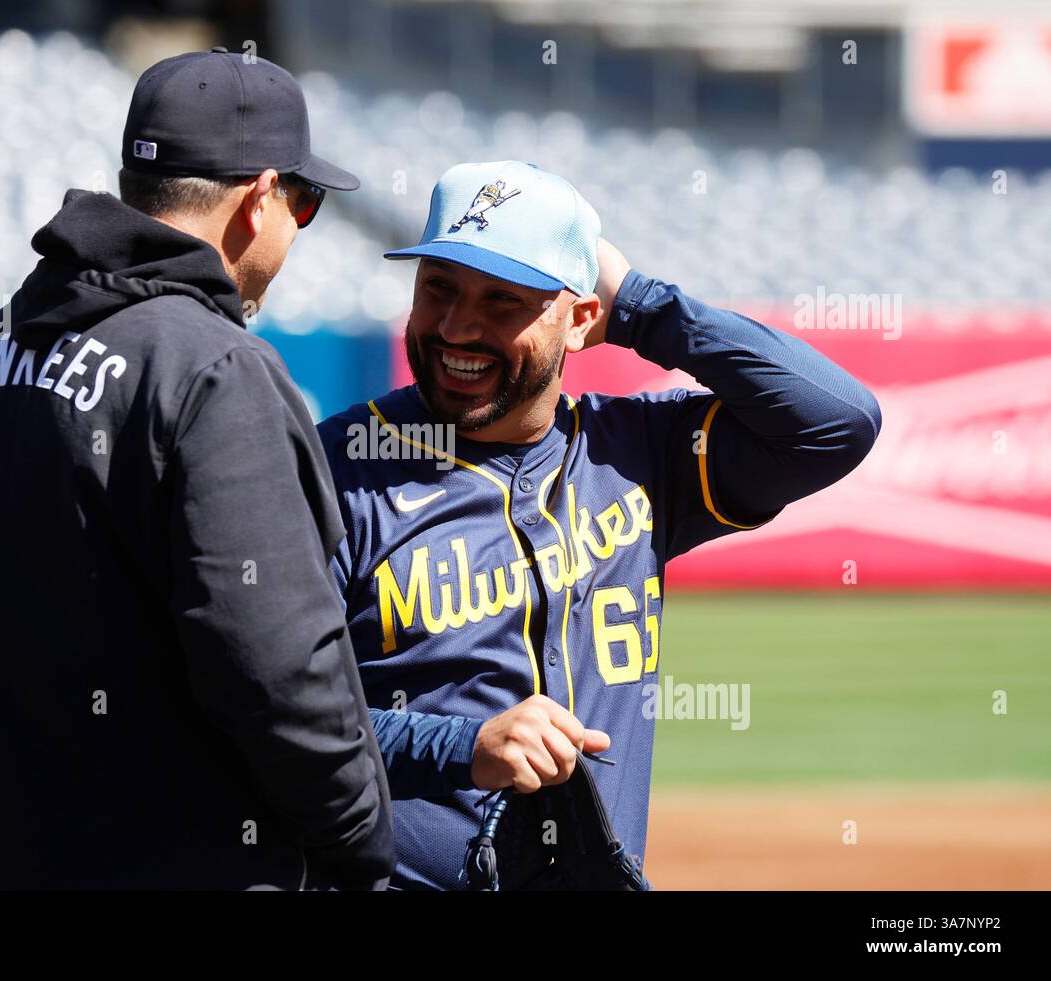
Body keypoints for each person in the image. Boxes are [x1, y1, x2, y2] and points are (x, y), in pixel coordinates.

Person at [0, 48, 393, 890]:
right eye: (303, 203)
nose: (298, 225)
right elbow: (279, 671)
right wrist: (361, 846)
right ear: (261, 197)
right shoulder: (215, 369)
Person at [316, 159, 882, 889]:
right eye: (439, 288)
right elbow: (275, 721)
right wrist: (462, 746)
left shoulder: (640, 454)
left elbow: (837, 421)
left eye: (502, 301)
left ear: (581, 318)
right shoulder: (332, 468)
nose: (459, 326)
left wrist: (645, 306)